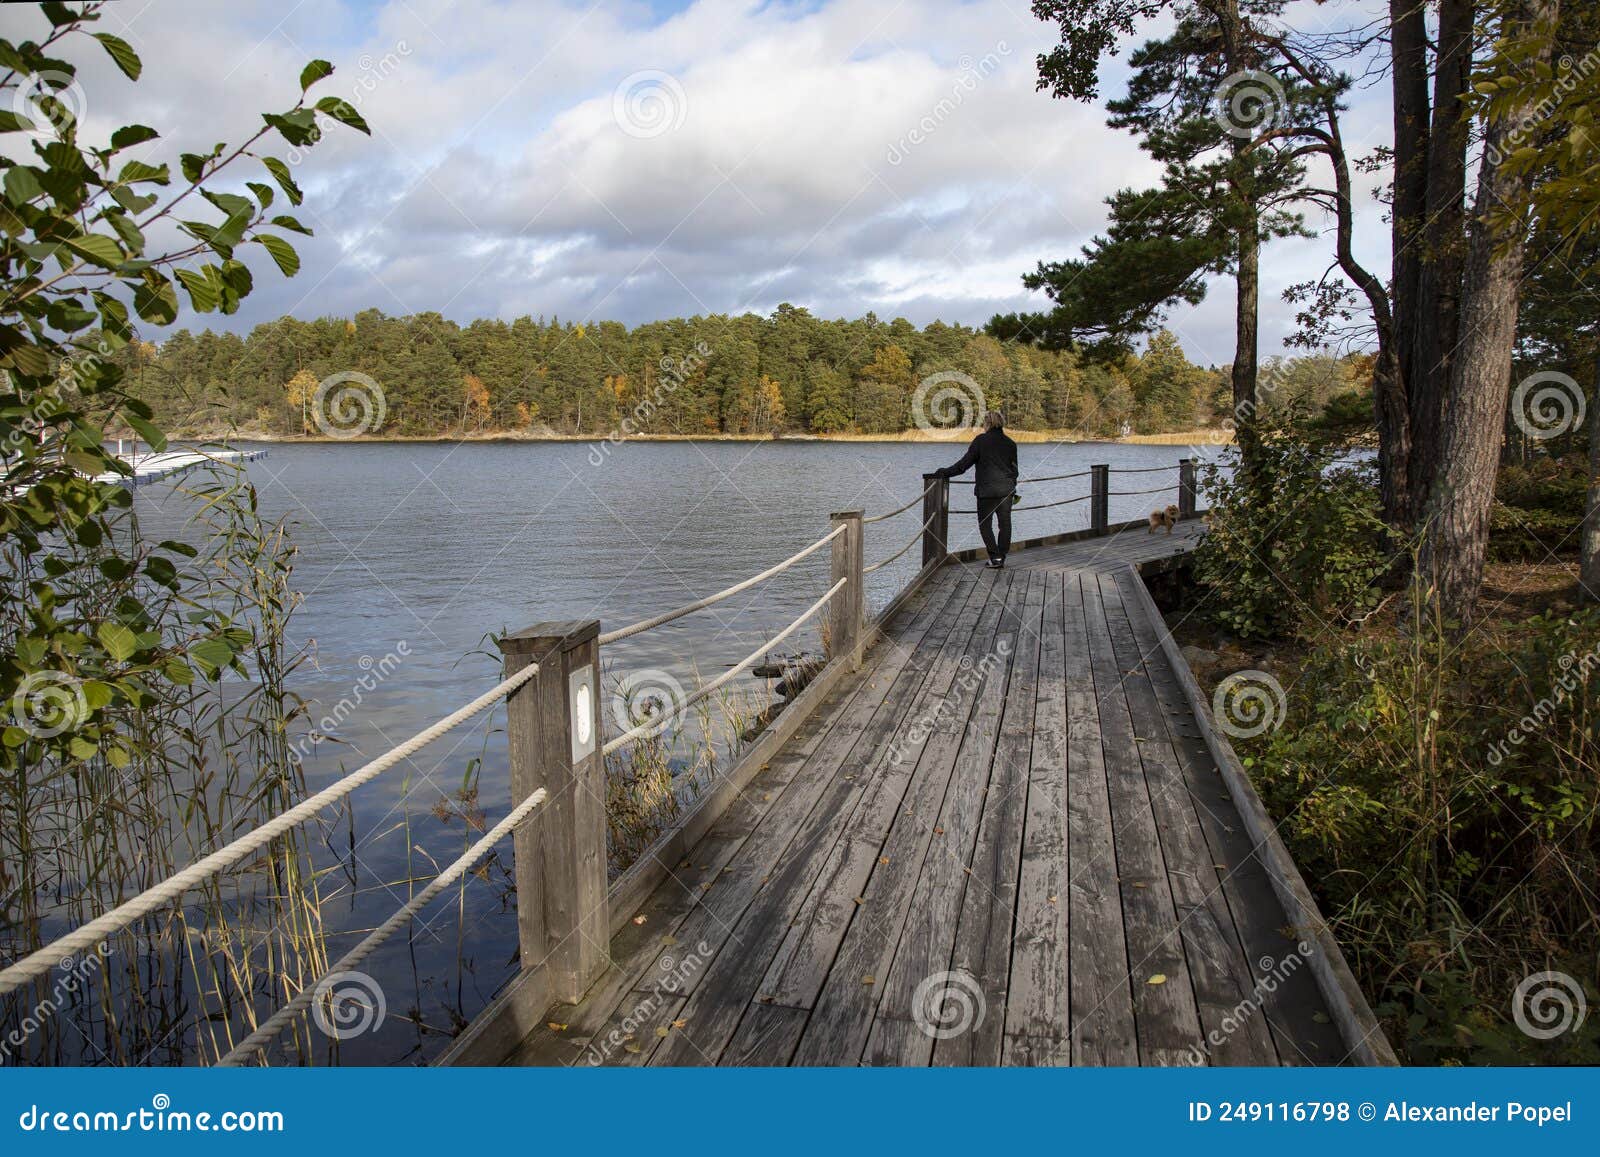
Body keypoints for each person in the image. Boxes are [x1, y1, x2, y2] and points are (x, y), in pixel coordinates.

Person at [934, 410, 1018, 569]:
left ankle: (995, 557)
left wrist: (944, 472)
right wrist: (1012, 487)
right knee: (1005, 525)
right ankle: (1001, 557)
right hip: (1007, 491)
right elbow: (1015, 471)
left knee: (985, 525)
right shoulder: (1010, 444)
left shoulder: (981, 441)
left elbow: (963, 466)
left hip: (986, 492)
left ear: (987, 423)